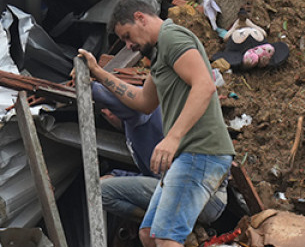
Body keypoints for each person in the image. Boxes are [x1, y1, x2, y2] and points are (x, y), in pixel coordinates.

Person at [77, 0, 235, 247]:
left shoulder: (176, 39)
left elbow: (205, 86)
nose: (129, 46)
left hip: (200, 152)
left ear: (140, 18)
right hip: (187, 156)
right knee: (150, 234)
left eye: (128, 37)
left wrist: (174, 136)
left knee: (166, 234)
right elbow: (143, 102)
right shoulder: (159, 57)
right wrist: (99, 75)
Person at [94, 82, 228, 228]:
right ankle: (170, 226)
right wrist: (117, 175)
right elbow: (154, 177)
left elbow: (137, 108)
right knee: (143, 231)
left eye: (111, 108)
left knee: (101, 191)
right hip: (196, 195)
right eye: (102, 112)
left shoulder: (145, 111)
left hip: (203, 196)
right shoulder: (132, 131)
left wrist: (91, 85)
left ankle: (165, 225)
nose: (107, 113)